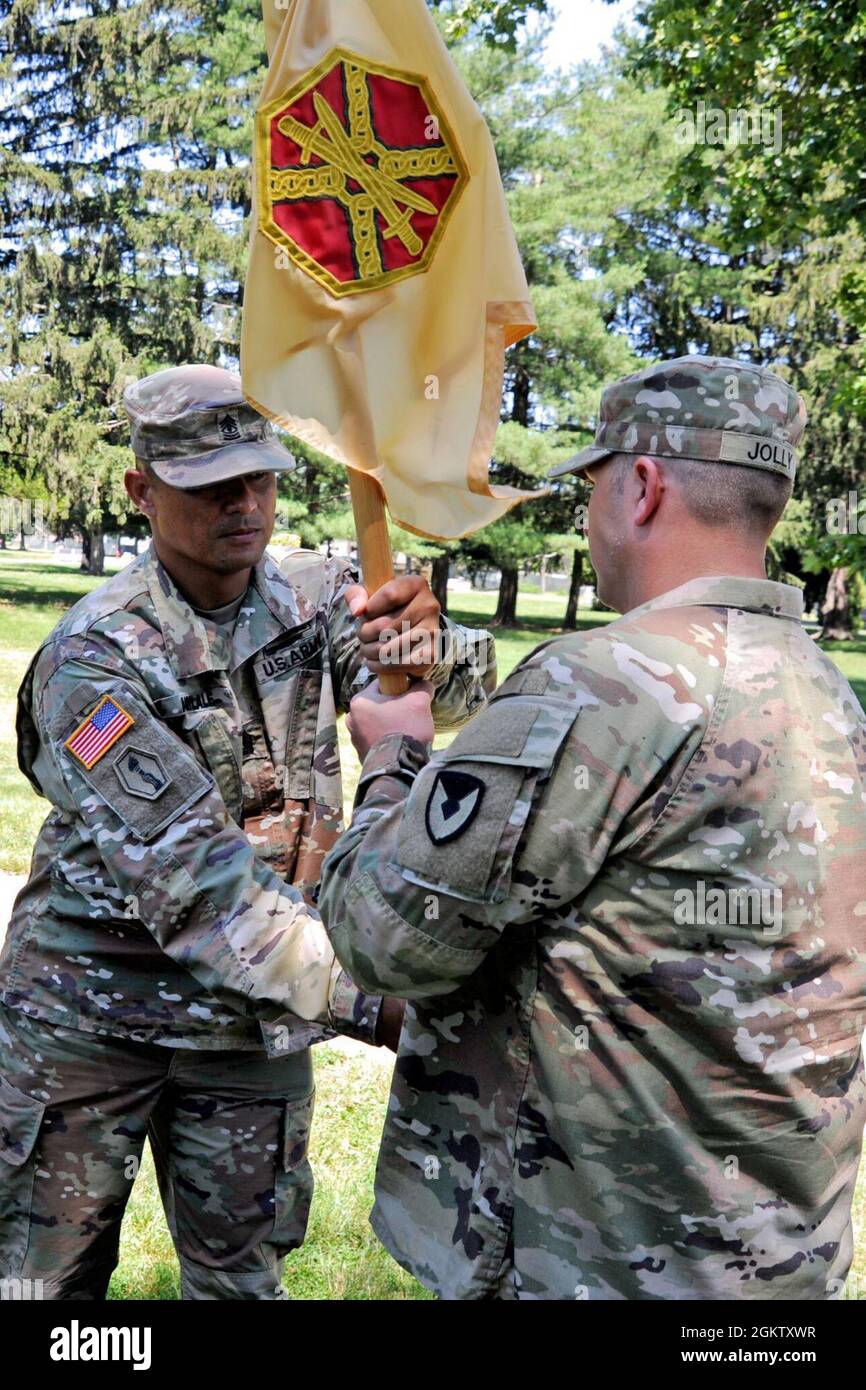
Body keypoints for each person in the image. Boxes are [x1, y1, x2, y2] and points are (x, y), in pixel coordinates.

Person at [318, 355, 866, 1301]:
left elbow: (384, 938)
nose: (589, 520)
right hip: (768, 1258)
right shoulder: (828, 694)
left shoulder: (607, 681)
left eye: (596, 488)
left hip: (595, 1260)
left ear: (642, 487)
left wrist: (394, 757)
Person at [0, 363, 496, 1301]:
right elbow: (200, 888)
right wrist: (381, 998)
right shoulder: (93, 662)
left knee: (242, 1283)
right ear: (142, 493)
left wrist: (426, 646)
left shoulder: (320, 595)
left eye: (259, 476)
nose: (244, 503)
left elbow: (453, 697)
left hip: (250, 1027)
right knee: (43, 1287)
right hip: (91, 1022)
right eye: (209, 485)